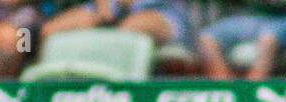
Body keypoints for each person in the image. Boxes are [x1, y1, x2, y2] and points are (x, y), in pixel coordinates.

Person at [197, 0, 286, 80]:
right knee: (206, 38)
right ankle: (227, 91)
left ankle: (251, 93)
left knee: (268, 39)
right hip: (253, 17)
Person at [41, 0, 196, 51]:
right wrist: (104, 10)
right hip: (107, 10)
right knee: (50, 31)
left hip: (162, 9)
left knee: (131, 30)